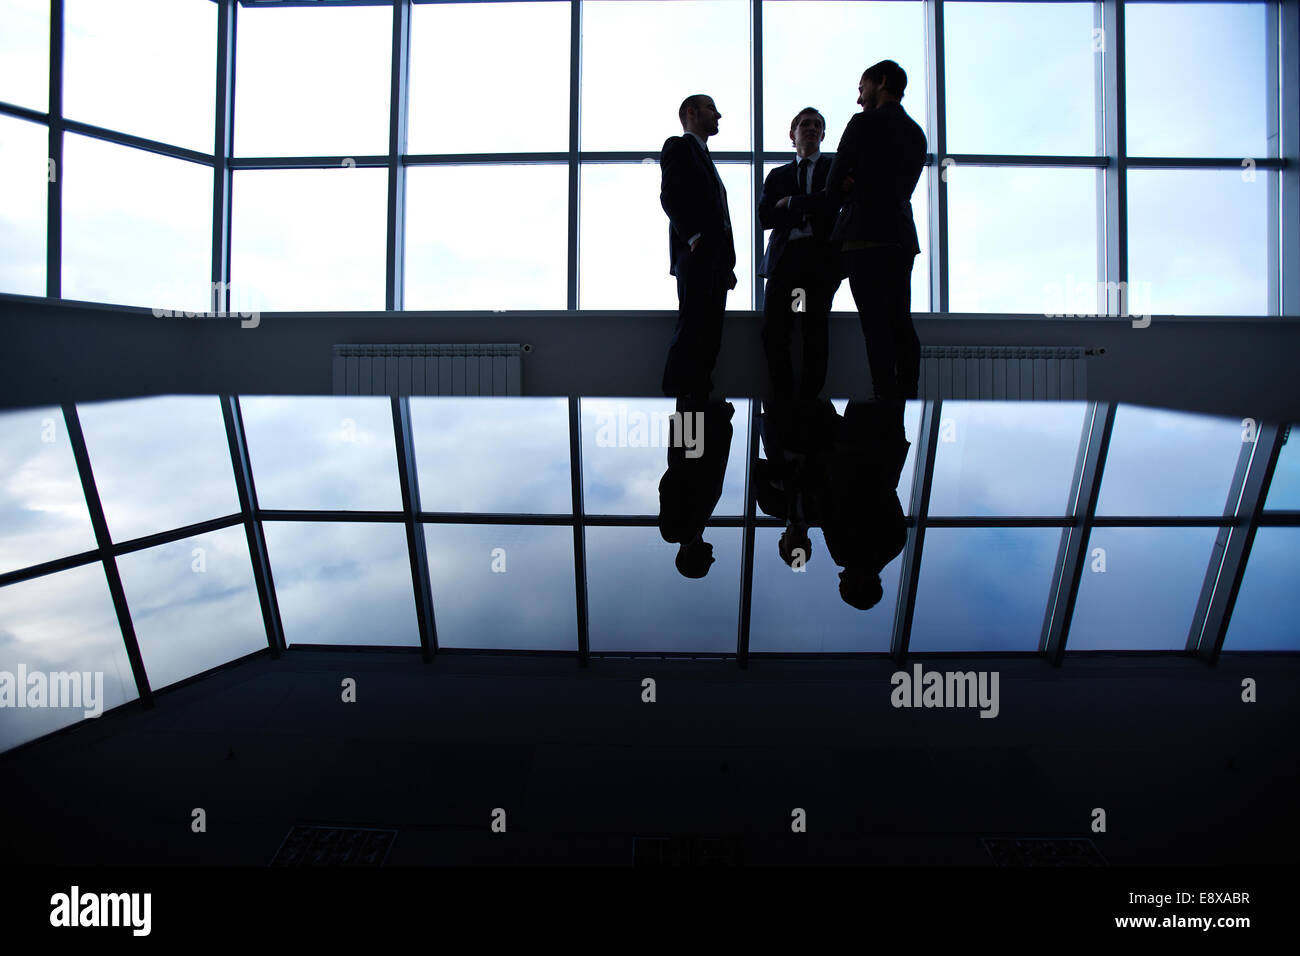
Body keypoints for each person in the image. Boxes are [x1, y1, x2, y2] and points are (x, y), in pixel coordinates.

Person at [825, 60, 927, 401]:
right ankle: (906, 396)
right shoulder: (916, 134)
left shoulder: (862, 123)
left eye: (861, 88)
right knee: (900, 317)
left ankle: (883, 397)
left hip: (863, 236)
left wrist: (851, 185)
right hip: (900, 235)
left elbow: (832, 184)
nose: (859, 99)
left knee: (874, 324)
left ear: (881, 82)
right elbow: (904, 189)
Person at [757, 107, 844, 405]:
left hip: (818, 265)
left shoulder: (834, 169)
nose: (811, 128)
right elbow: (765, 217)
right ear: (792, 135)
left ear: (822, 134)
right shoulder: (777, 174)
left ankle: (809, 399)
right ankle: (783, 396)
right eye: (804, 124)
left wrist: (792, 203)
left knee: (813, 331)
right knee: (775, 332)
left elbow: (833, 203)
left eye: (817, 124)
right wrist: (808, 209)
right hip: (786, 264)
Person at [659, 94, 738, 400]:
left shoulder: (704, 156)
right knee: (693, 325)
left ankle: (699, 396)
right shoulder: (679, 146)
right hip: (696, 254)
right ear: (691, 113)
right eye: (711, 109)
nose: (718, 115)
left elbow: (720, 217)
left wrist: (727, 265)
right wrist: (694, 238)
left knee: (710, 331)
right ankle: (680, 397)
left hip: (714, 259)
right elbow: (670, 196)